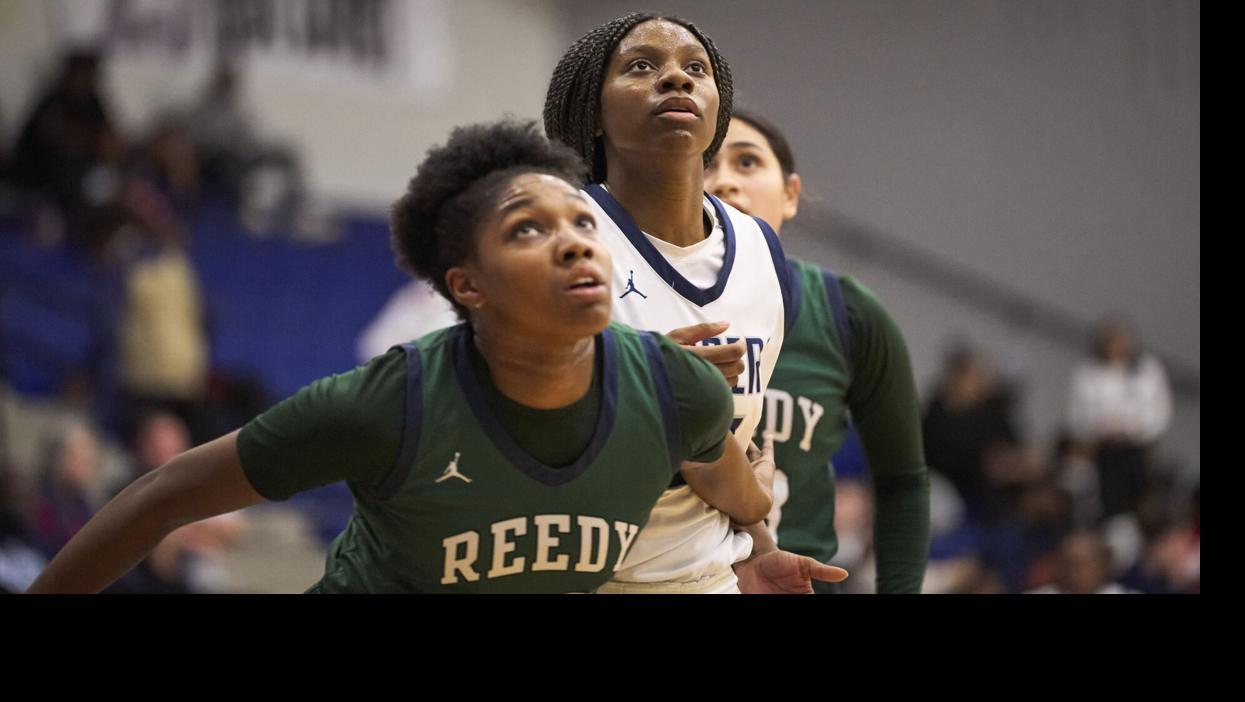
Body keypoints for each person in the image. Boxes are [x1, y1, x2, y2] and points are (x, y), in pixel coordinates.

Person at [29, 119, 767, 593]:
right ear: (465, 285)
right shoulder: (390, 404)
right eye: (526, 229)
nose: (576, 240)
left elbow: (730, 482)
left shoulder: (676, 390)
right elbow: (162, 495)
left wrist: (762, 544)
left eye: (582, 220)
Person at [543, 12, 844, 594]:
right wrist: (642, 392)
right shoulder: (561, 234)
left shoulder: (759, 248)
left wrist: (757, 547)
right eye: (641, 66)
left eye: (695, 69)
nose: (675, 79)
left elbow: (734, 435)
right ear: (594, 112)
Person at [703, 110, 930, 593]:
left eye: (746, 162)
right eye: (704, 164)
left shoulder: (848, 313)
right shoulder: (637, 308)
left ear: (790, 195)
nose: (723, 181)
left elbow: (902, 481)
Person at [1064, 315, 1172, 519]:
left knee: (1142, 503)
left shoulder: (1147, 370)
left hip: (1137, 449)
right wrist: (1099, 430)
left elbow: (1159, 412)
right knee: (1102, 502)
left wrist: (1133, 430)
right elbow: (1077, 415)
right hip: (1101, 450)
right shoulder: (1088, 372)